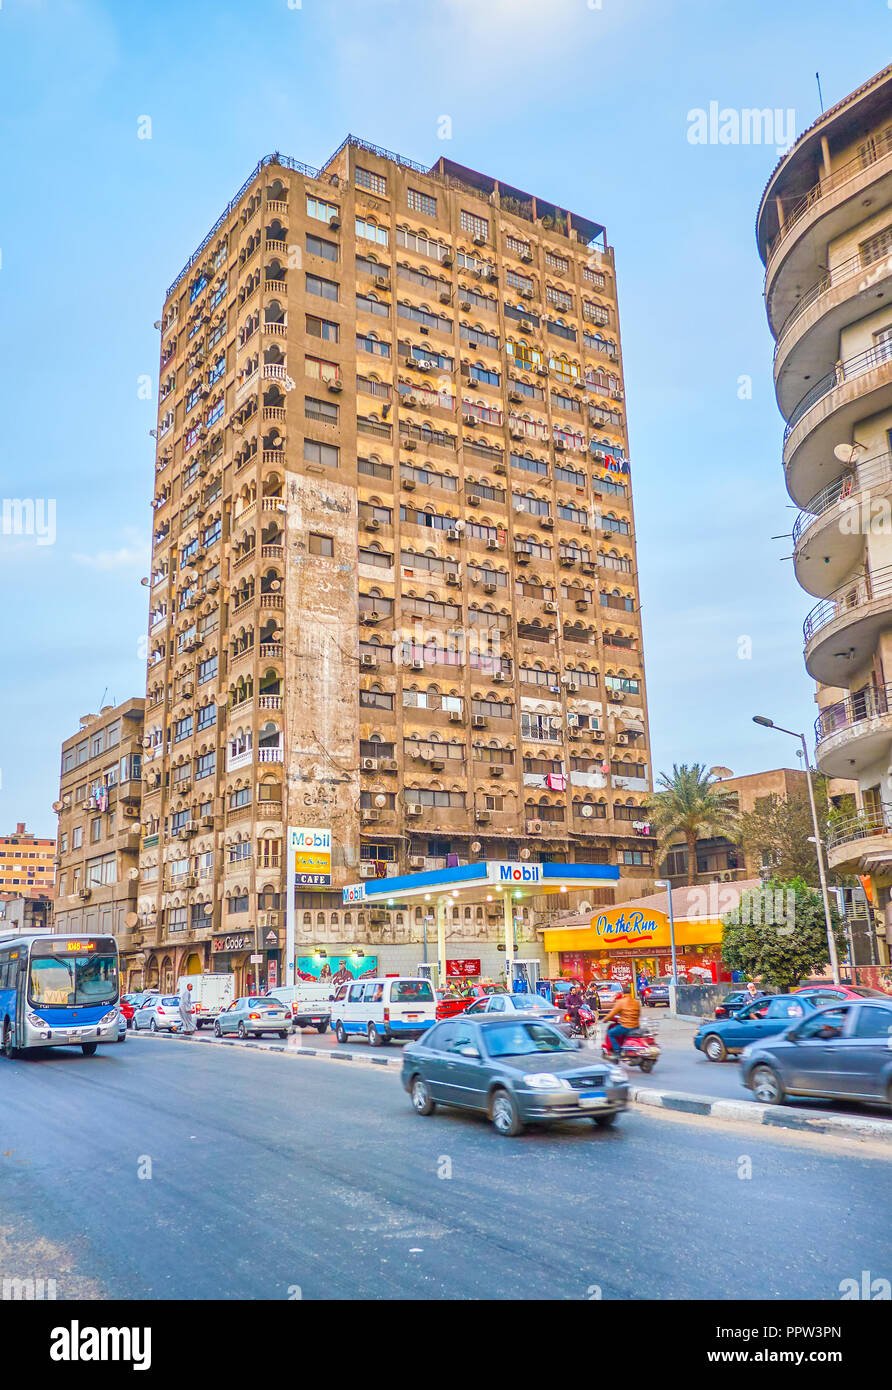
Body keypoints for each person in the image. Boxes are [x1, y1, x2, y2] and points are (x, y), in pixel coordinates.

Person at [603, 986, 641, 1057]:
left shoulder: (621, 1002)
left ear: (623, 993)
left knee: (610, 1033)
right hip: (636, 1026)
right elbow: (639, 1014)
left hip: (626, 1026)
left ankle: (617, 1051)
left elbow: (612, 1013)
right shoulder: (636, 1002)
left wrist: (605, 1019)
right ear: (631, 992)